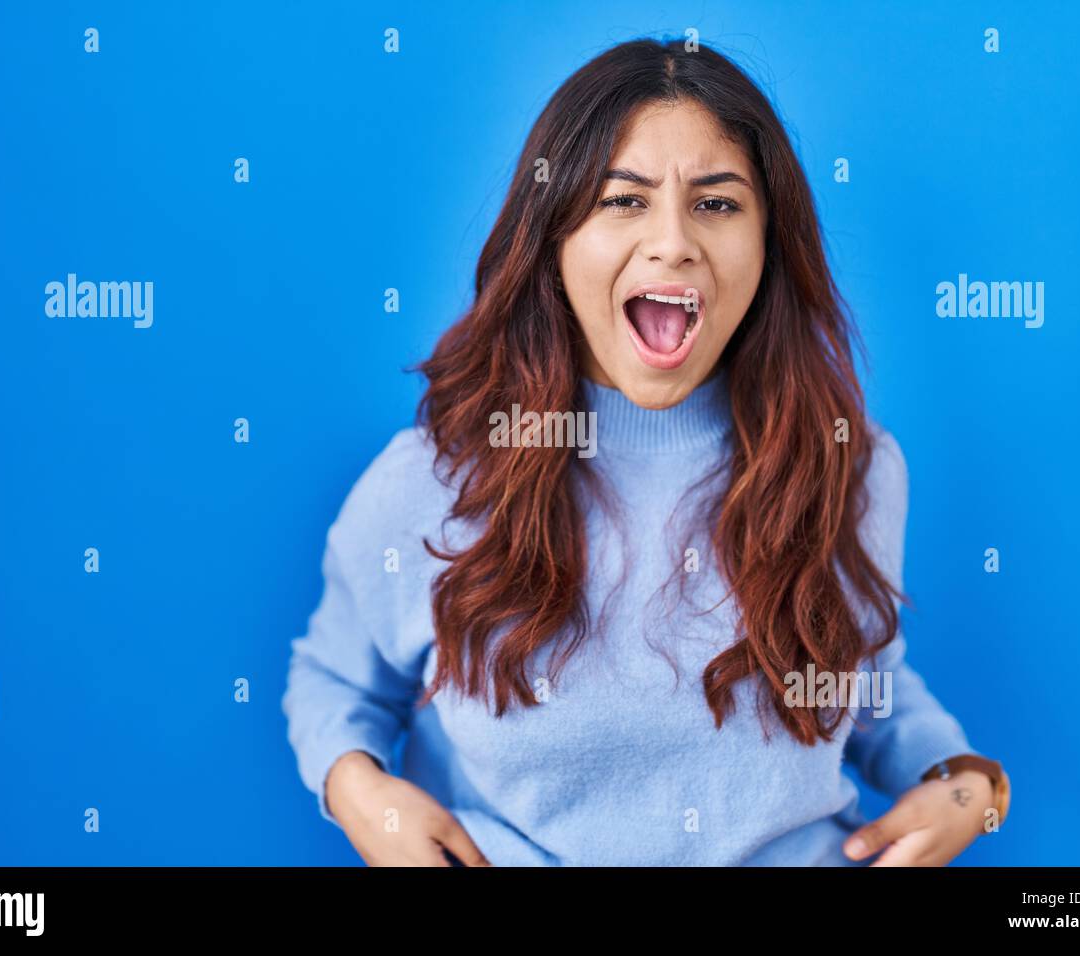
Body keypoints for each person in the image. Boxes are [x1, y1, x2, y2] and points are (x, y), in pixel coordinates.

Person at [281, 37, 1009, 866]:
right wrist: (361, 792)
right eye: (623, 201)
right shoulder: (434, 480)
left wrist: (964, 780)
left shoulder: (852, 468)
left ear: (771, 247)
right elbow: (336, 680)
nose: (673, 243)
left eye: (718, 203)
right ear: (552, 239)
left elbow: (856, 682)